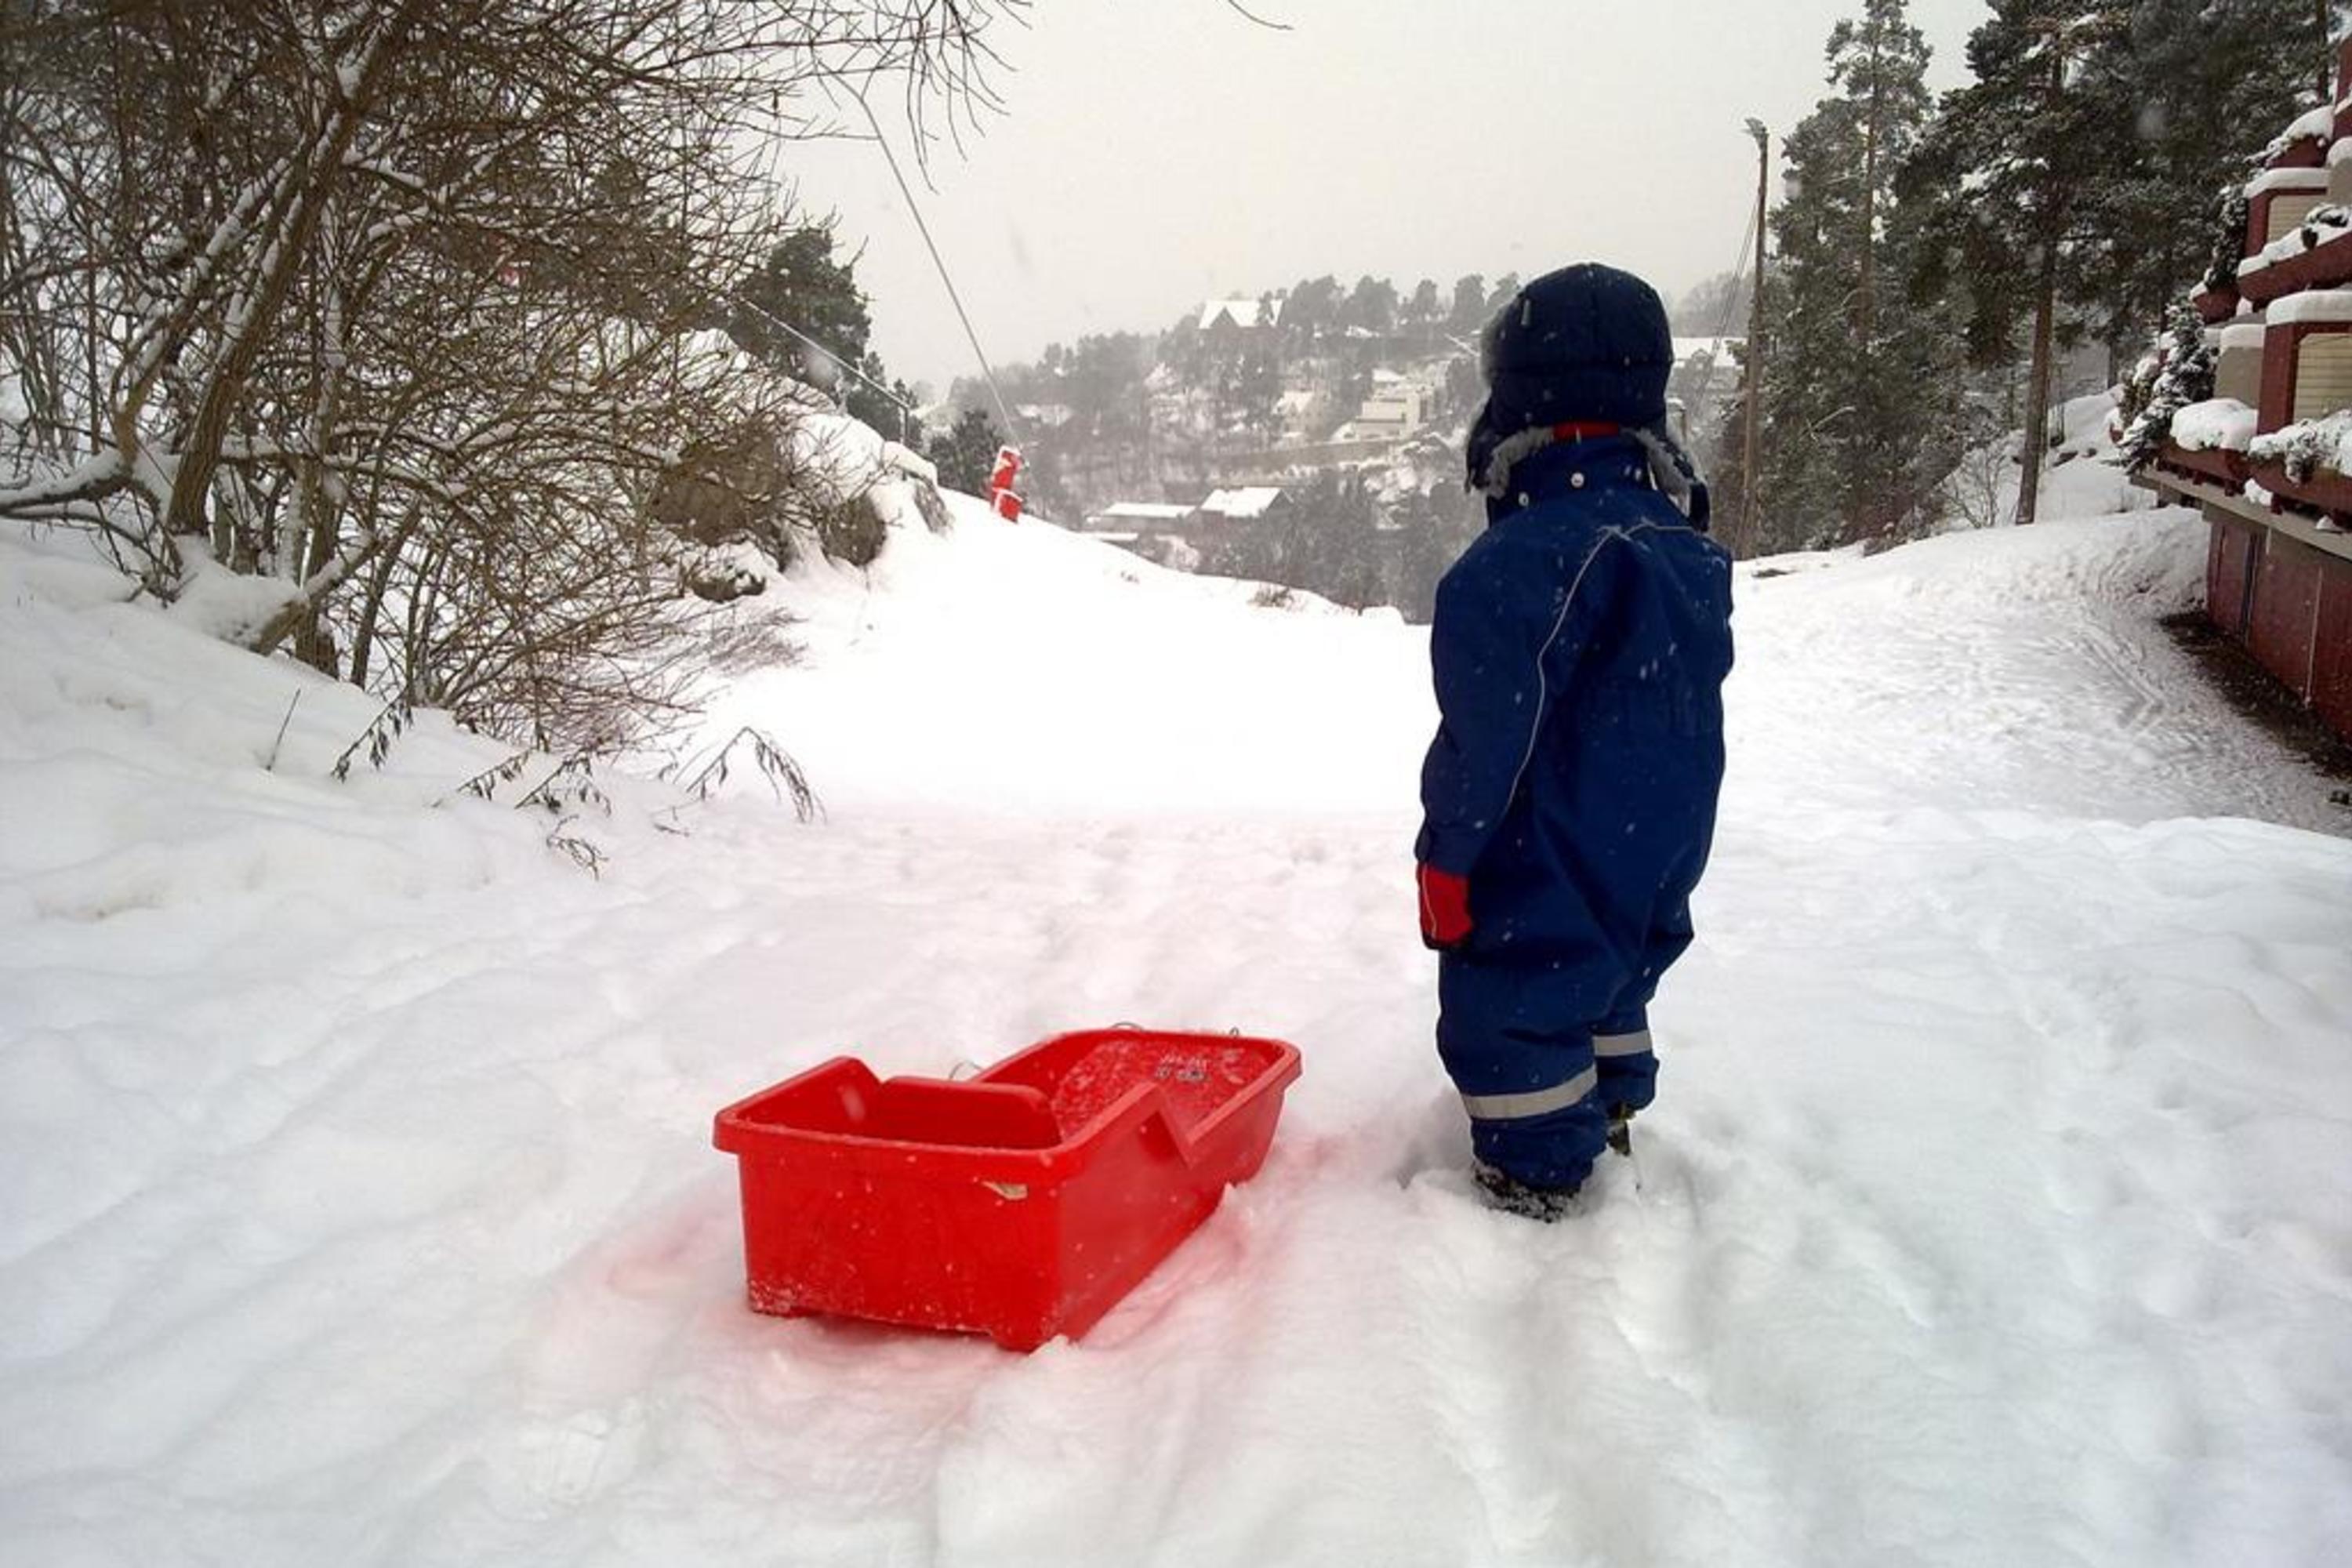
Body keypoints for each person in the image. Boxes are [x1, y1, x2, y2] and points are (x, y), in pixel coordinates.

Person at [1415, 263, 1734, 1220]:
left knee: (1519, 991)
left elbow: (1485, 738)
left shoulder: (1516, 562)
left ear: (1516, 399)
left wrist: (1448, 856)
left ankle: (1537, 1186)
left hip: (1553, 837)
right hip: (1663, 837)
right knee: (1612, 966)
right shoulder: (1678, 540)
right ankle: (1612, 1107)